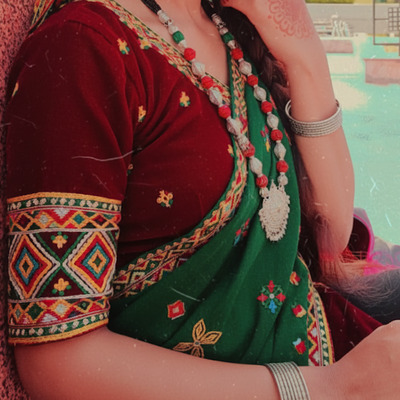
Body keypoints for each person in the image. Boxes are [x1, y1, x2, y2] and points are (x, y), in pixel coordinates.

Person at [3, 0, 400, 398]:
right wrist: (335, 389)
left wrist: (304, 53)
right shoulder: (83, 48)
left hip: (317, 330)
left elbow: (331, 232)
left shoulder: (230, 23)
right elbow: (57, 362)